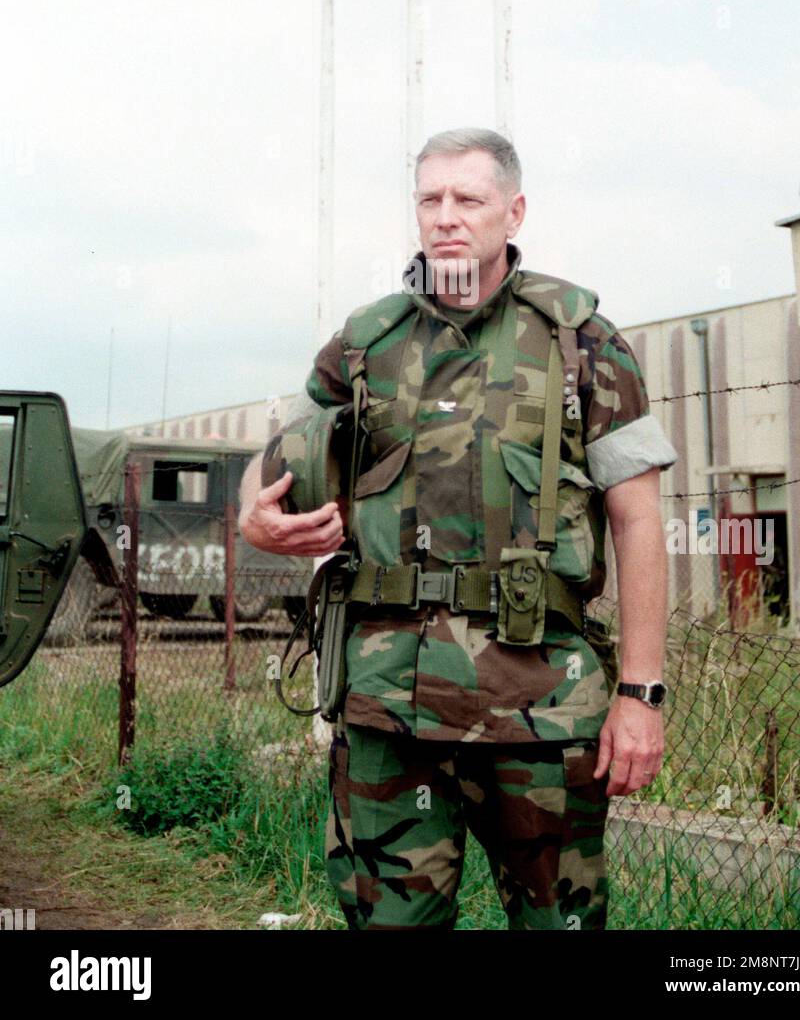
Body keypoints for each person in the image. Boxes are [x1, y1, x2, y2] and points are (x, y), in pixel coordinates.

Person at [239, 127, 677, 931]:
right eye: (430, 199)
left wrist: (640, 696)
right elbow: (278, 453)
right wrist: (253, 515)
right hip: (386, 709)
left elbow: (639, 521)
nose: (446, 217)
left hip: (541, 713)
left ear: (513, 211)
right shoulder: (367, 341)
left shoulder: (582, 340)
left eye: (468, 199)